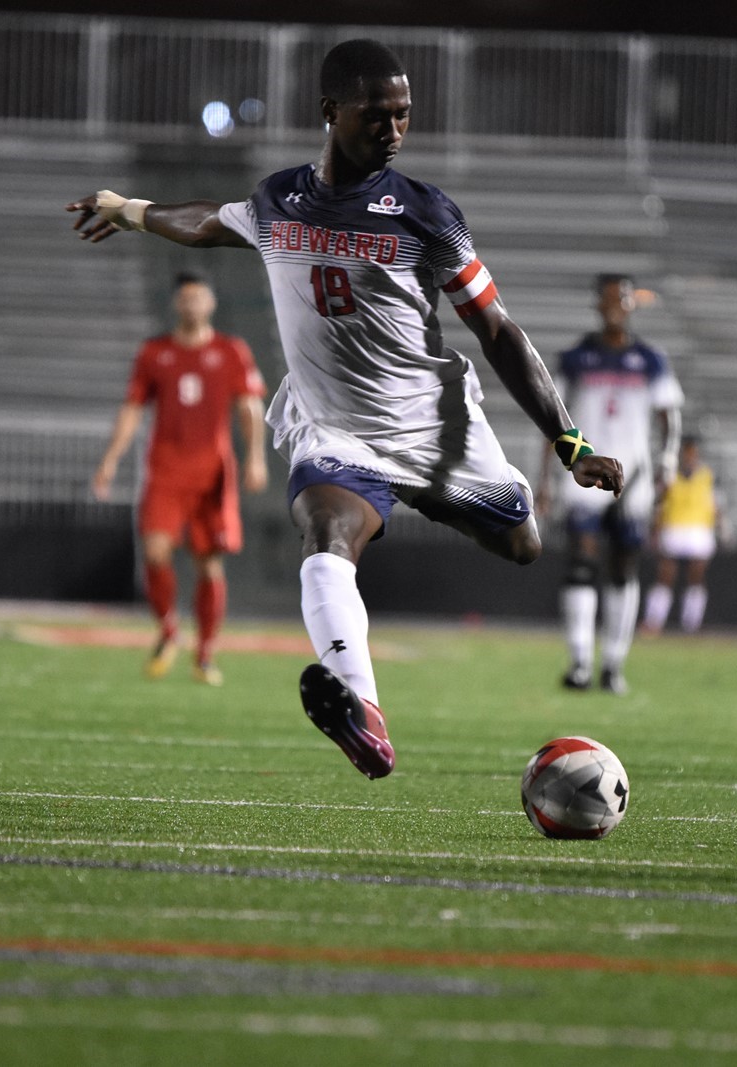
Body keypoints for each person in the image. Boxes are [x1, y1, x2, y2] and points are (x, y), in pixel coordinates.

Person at [68, 38, 624, 779]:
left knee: (522, 543)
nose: (394, 129)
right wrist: (131, 209)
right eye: (377, 115)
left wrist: (569, 440)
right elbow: (206, 220)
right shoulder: (276, 199)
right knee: (327, 530)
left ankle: (426, 494)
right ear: (330, 112)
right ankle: (364, 712)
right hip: (334, 427)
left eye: (404, 115)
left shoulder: (426, 212)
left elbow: (496, 328)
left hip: (432, 423)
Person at [91, 272, 268, 686]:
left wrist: (256, 457)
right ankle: (169, 629)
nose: (192, 306)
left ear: (211, 304)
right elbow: (133, 407)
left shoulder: (231, 351)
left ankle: (205, 653)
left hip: (211, 474)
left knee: (209, 565)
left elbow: (249, 407)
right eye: (186, 299)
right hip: (166, 471)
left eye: (199, 298)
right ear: (177, 304)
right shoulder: (155, 352)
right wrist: (111, 457)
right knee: (155, 551)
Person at [537, 274, 680, 694]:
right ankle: (580, 661)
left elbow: (669, 416)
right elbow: (552, 416)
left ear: (634, 304)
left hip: (633, 477)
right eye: (609, 299)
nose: (616, 305)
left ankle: (613, 664)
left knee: (623, 567)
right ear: (598, 305)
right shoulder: (576, 359)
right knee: (581, 563)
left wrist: (666, 465)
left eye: (623, 298)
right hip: (583, 473)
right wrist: (544, 477)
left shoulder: (652, 360)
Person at [642, 434, 727, 636]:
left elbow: (715, 506)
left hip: (699, 530)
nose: (689, 456)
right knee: (665, 576)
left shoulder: (708, 476)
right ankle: (653, 622)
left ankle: (692, 624)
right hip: (673, 527)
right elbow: (659, 506)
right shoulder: (669, 476)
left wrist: (722, 528)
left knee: (696, 577)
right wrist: (655, 530)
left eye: (692, 452)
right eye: (686, 452)